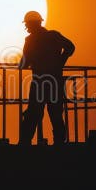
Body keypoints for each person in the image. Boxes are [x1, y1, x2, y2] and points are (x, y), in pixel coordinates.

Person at [18, 11, 75, 146]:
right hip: (55, 82)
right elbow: (71, 47)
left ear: (31, 24)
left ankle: (25, 143)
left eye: (27, 24)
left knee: (33, 114)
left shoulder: (30, 40)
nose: (27, 27)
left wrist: (21, 65)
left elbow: (24, 63)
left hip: (39, 83)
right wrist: (61, 61)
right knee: (55, 114)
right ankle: (60, 143)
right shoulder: (54, 36)